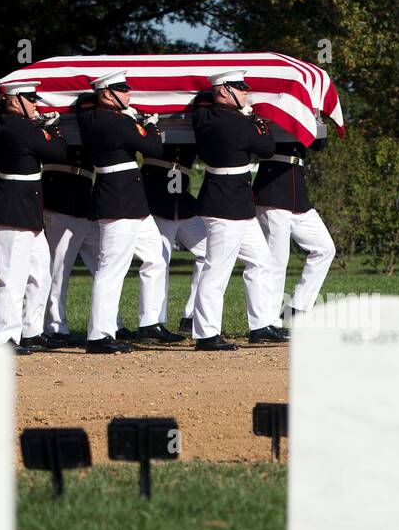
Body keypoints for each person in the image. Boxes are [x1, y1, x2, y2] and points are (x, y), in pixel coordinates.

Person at [77, 70, 182, 354]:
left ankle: (149, 322)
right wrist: (147, 125)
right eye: (123, 90)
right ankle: (98, 335)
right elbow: (153, 148)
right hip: (120, 202)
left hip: (132, 203)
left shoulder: (89, 116)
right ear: (107, 95)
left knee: (156, 257)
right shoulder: (117, 122)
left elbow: (81, 103)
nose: (129, 94)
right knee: (111, 269)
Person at [190, 70, 282, 351]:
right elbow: (267, 147)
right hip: (227, 206)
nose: (246, 93)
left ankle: (262, 325)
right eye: (240, 88)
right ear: (224, 91)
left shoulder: (203, 115)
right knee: (216, 269)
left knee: (261, 261)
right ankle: (206, 334)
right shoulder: (236, 124)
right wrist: (255, 119)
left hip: (235, 203)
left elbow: (200, 101)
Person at [0, 81, 66, 354]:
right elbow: (58, 151)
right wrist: (52, 129)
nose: (36, 104)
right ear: (13, 101)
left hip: (27, 209)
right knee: (12, 277)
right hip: (15, 208)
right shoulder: (19, 127)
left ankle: (31, 330)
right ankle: (3, 338)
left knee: (40, 273)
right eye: (30, 99)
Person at [253, 120, 336, 322]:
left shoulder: (302, 111)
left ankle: (298, 307)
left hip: (297, 194)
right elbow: (261, 148)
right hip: (272, 190)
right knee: (277, 261)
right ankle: (268, 322)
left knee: (325, 248)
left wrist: (317, 120)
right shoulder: (269, 112)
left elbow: (318, 145)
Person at [142, 139, 205, 333]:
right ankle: (153, 321)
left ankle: (192, 316)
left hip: (182, 199)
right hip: (156, 195)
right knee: (159, 259)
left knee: (211, 251)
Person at [41, 141, 98, 345]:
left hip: (86, 200)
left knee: (104, 267)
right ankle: (55, 325)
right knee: (59, 267)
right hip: (60, 197)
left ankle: (109, 323)